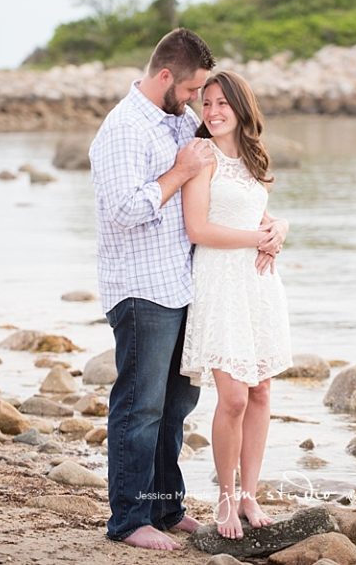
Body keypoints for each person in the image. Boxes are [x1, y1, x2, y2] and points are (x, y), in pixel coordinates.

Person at [89, 28, 218, 551]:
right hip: (141, 289)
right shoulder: (123, 129)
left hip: (182, 283)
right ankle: (128, 520)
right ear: (165, 76)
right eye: (190, 89)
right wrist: (180, 172)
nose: (195, 100)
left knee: (177, 405)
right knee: (140, 407)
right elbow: (123, 211)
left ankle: (165, 507)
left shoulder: (178, 118)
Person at [179, 70, 291, 539]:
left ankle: (250, 495)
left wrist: (279, 229)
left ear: (241, 107)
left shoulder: (252, 156)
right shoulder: (201, 157)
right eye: (206, 103)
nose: (213, 112)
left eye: (222, 103)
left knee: (261, 391)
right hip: (219, 283)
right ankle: (225, 499)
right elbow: (198, 229)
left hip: (258, 286)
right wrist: (256, 239)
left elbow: (259, 213)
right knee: (233, 397)